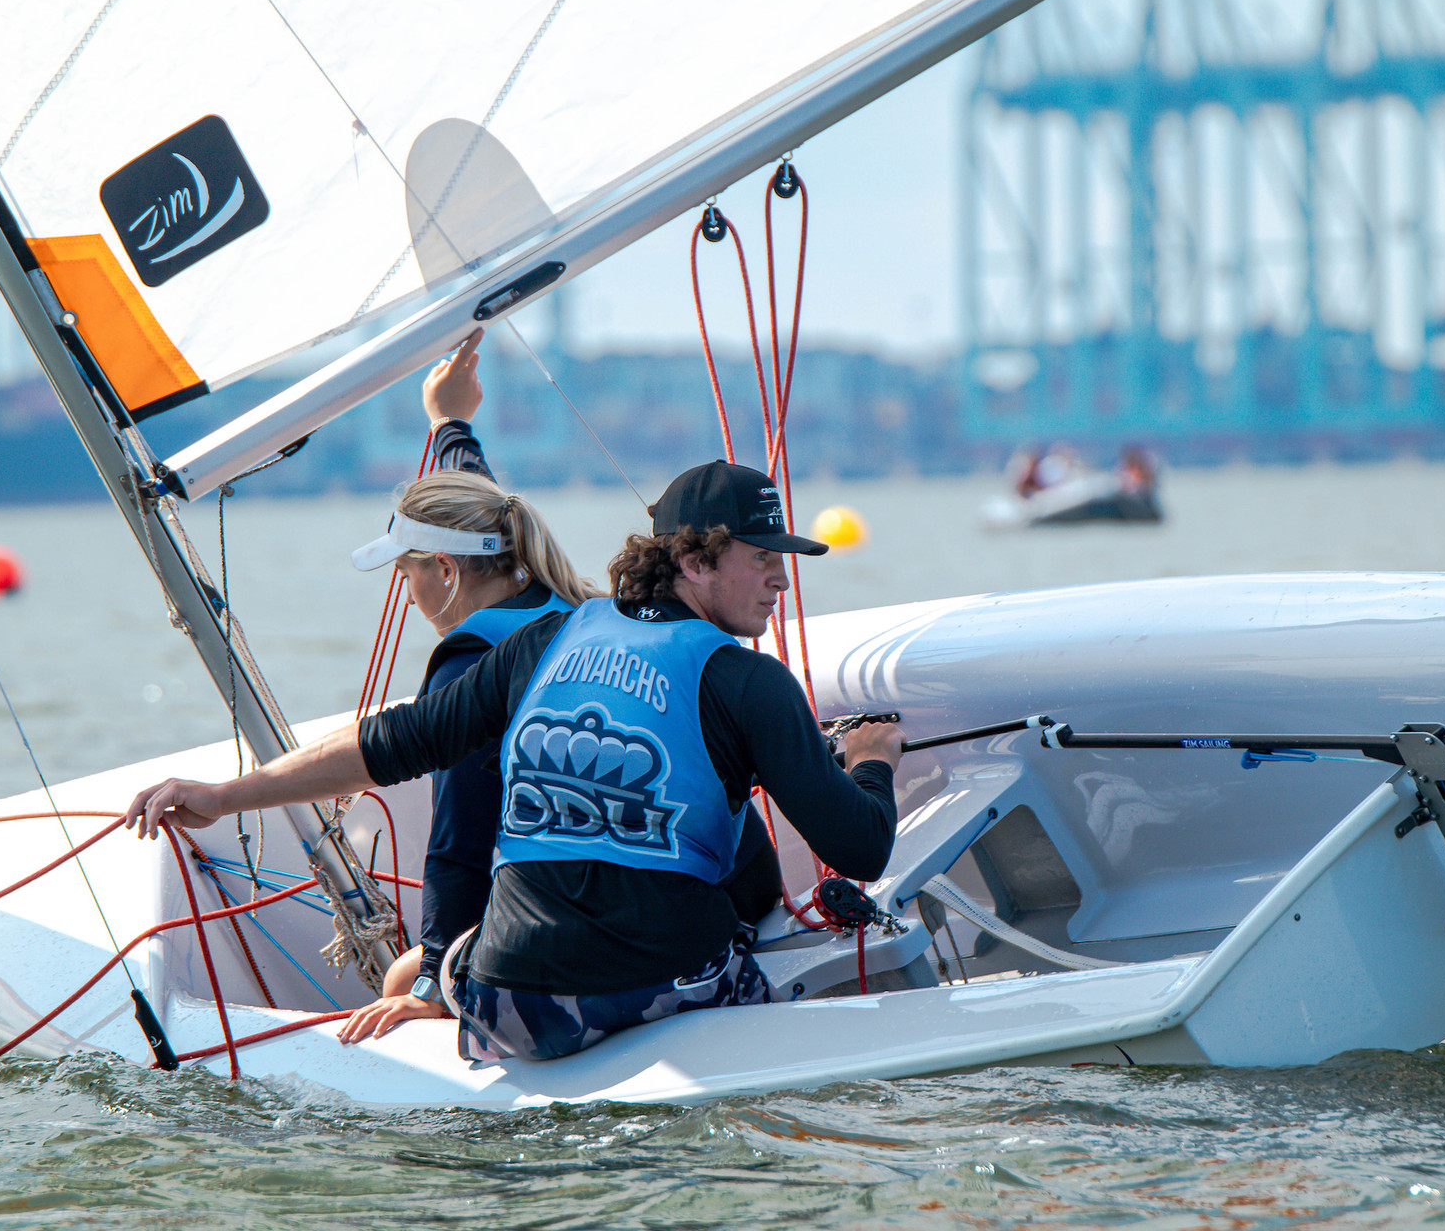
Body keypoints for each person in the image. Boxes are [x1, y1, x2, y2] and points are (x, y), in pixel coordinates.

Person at [124, 460, 902, 1064]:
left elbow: (389, 744)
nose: (780, 576)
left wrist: (225, 796)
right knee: (761, 946)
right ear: (695, 562)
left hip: (506, 1006)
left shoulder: (541, 643)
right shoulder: (749, 681)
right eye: (762, 556)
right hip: (653, 992)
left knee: (441, 961)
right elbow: (863, 849)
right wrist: (869, 762)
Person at [347, 328, 599, 1031]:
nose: (405, 590)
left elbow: (456, 846)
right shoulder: (561, 598)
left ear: (447, 570)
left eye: (407, 570)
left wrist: (431, 985)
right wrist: (450, 423)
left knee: (401, 972)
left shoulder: (467, 668)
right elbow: (487, 504)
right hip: (637, 885)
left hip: (562, 922)